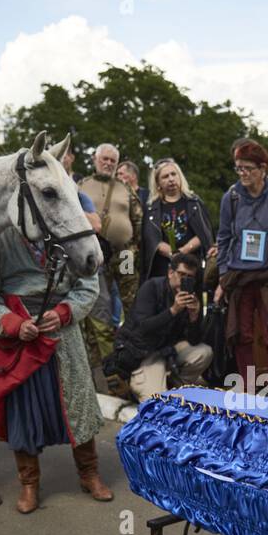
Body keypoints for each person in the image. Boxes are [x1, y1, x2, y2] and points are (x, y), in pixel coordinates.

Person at [0, 228, 113, 512]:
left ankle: (89, 474)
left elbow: (88, 282)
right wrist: (12, 323)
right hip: (19, 336)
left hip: (63, 330)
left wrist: (63, 312)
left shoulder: (68, 229)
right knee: (21, 409)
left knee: (77, 401)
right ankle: (29, 483)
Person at [215, 139, 268, 393]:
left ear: (263, 169)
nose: (244, 174)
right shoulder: (232, 197)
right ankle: (248, 388)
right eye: (239, 168)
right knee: (241, 333)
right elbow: (224, 236)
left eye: (249, 168)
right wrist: (223, 273)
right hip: (239, 275)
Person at [78, 143, 143, 383]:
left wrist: (133, 247)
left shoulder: (125, 188)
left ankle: (133, 353)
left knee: (131, 301)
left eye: (112, 161)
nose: (108, 163)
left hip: (125, 254)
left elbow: (138, 219)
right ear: (95, 159)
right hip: (95, 253)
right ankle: (100, 360)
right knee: (98, 304)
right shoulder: (82, 186)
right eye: (104, 159)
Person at [113, 252, 213, 402]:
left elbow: (194, 340)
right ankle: (133, 384)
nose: (185, 280)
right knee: (155, 403)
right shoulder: (152, 287)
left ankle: (174, 385)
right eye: (181, 274)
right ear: (170, 272)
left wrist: (194, 317)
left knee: (204, 352)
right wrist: (173, 311)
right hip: (143, 352)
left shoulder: (189, 296)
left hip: (167, 349)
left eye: (190, 277)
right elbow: (143, 327)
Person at [139, 158, 212, 282]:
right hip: (161, 269)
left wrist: (183, 251)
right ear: (158, 183)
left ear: (180, 177)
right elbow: (150, 238)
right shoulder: (151, 208)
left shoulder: (194, 202)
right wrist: (173, 254)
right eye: (165, 176)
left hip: (191, 266)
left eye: (174, 174)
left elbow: (204, 233)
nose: (171, 179)